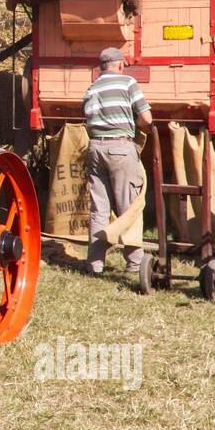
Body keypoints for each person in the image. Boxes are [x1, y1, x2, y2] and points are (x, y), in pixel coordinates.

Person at [82, 46, 153, 275]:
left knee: (99, 209)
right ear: (120, 65)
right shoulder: (128, 83)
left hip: (94, 148)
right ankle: (134, 263)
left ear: (101, 67)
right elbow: (145, 118)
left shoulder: (92, 88)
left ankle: (95, 264)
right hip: (120, 148)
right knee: (128, 206)